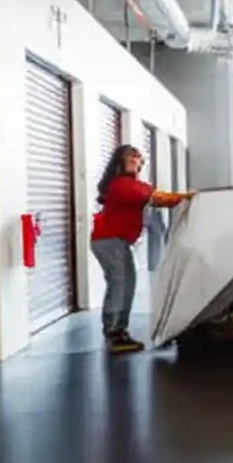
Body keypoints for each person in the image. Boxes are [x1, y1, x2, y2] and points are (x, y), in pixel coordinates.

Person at [91, 144, 193, 353]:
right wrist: (187, 197)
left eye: (137, 156)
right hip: (111, 241)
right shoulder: (122, 184)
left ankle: (115, 329)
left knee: (123, 282)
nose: (134, 159)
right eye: (129, 156)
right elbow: (157, 198)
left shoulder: (131, 185)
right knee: (122, 284)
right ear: (119, 162)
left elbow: (158, 199)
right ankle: (116, 333)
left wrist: (179, 198)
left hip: (112, 240)